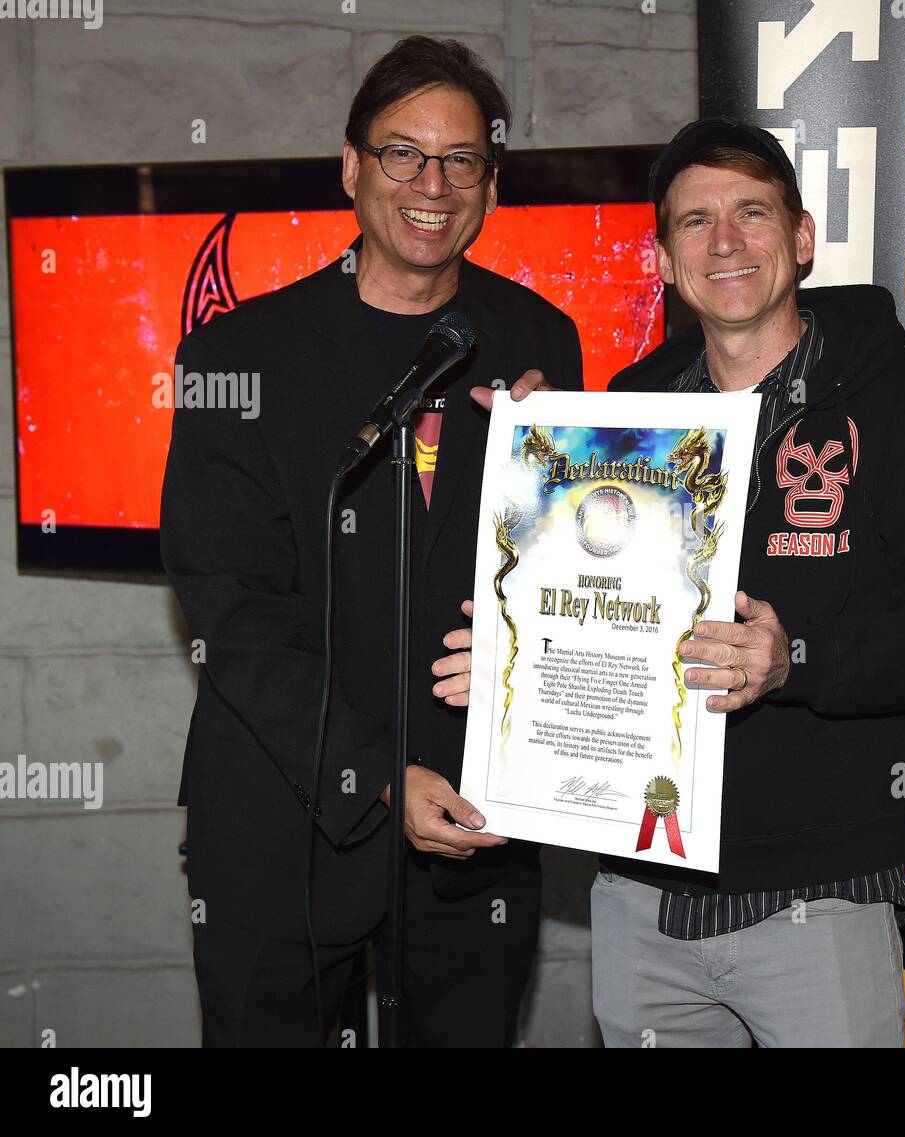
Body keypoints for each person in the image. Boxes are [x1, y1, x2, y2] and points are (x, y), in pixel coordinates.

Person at [433, 116, 905, 1047]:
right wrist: (525, 491)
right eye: (695, 222)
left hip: (817, 900)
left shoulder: (900, 407)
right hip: (641, 892)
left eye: (751, 213)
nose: (725, 242)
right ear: (662, 258)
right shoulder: (625, 412)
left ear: (803, 237)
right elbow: (590, 607)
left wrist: (798, 660)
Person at [161, 36, 581, 1047]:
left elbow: (567, 578)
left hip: (475, 822)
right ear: (351, 168)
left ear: (490, 183)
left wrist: (560, 469)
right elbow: (235, 610)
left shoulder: (539, 340)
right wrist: (380, 776)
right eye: (402, 153)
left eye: (461, 159)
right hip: (282, 817)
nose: (430, 184)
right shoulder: (235, 356)